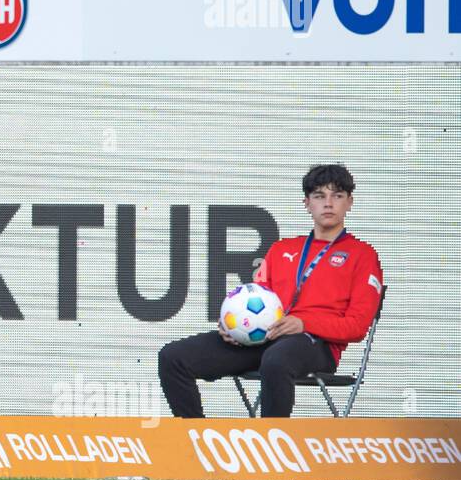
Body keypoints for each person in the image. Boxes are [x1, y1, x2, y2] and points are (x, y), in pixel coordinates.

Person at [158, 164, 385, 419]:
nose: (328, 203)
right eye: (320, 196)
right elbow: (254, 299)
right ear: (307, 203)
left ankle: (270, 447)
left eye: (337, 195)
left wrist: (303, 323)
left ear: (349, 203)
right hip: (264, 339)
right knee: (173, 357)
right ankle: (196, 443)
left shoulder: (363, 255)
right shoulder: (282, 249)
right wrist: (230, 326)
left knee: (277, 360)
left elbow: (356, 327)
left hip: (315, 345)